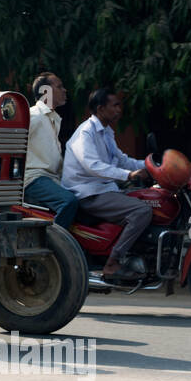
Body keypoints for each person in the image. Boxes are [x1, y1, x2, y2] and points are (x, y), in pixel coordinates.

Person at [61, 88, 152, 278]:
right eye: (115, 106)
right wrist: (128, 175)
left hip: (105, 190)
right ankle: (113, 263)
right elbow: (93, 165)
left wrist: (152, 165)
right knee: (141, 210)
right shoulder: (86, 132)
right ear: (101, 108)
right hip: (89, 193)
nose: (119, 110)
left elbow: (121, 159)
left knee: (150, 199)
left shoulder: (106, 132)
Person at [22, 71, 78, 229]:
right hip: (34, 179)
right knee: (68, 202)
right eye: (59, 86)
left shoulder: (51, 118)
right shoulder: (34, 115)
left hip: (52, 179)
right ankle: (56, 245)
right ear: (46, 91)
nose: (65, 90)